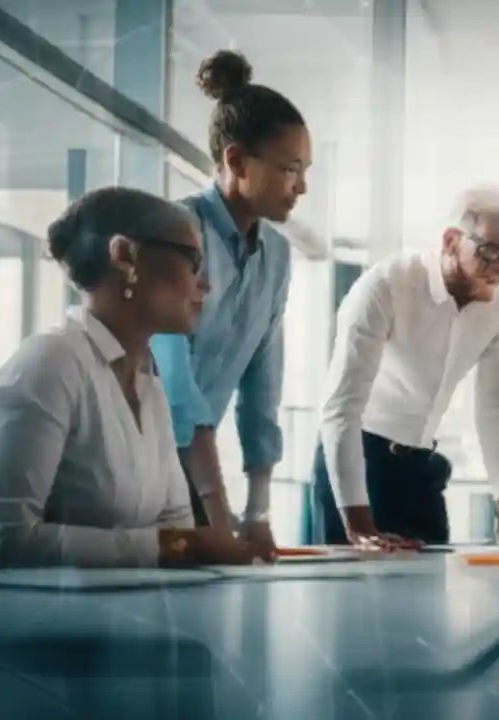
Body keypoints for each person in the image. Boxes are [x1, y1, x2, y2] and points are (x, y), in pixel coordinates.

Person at [0, 188, 267, 569]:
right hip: (16, 624)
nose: (205, 284)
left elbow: (176, 526)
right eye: (192, 261)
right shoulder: (48, 366)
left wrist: (190, 544)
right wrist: (176, 547)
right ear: (125, 256)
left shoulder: (148, 380)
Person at [149, 50, 311, 557]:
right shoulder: (176, 231)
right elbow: (176, 390)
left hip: (197, 474)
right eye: (290, 169)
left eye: (304, 170)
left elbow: (263, 387)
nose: (301, 187)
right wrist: (219, 517)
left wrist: (257, 512)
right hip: (141, 462)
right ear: (237, 161)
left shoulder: (278, 256)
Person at [314, 185, 499, 548]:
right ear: (450, 241)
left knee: (429, 597)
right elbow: (341, 410)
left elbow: (494, 406)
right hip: (357, 465)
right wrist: (360, 528)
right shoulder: (386, 284)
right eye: (491, 251)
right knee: (350, 598)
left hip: (420, 470)